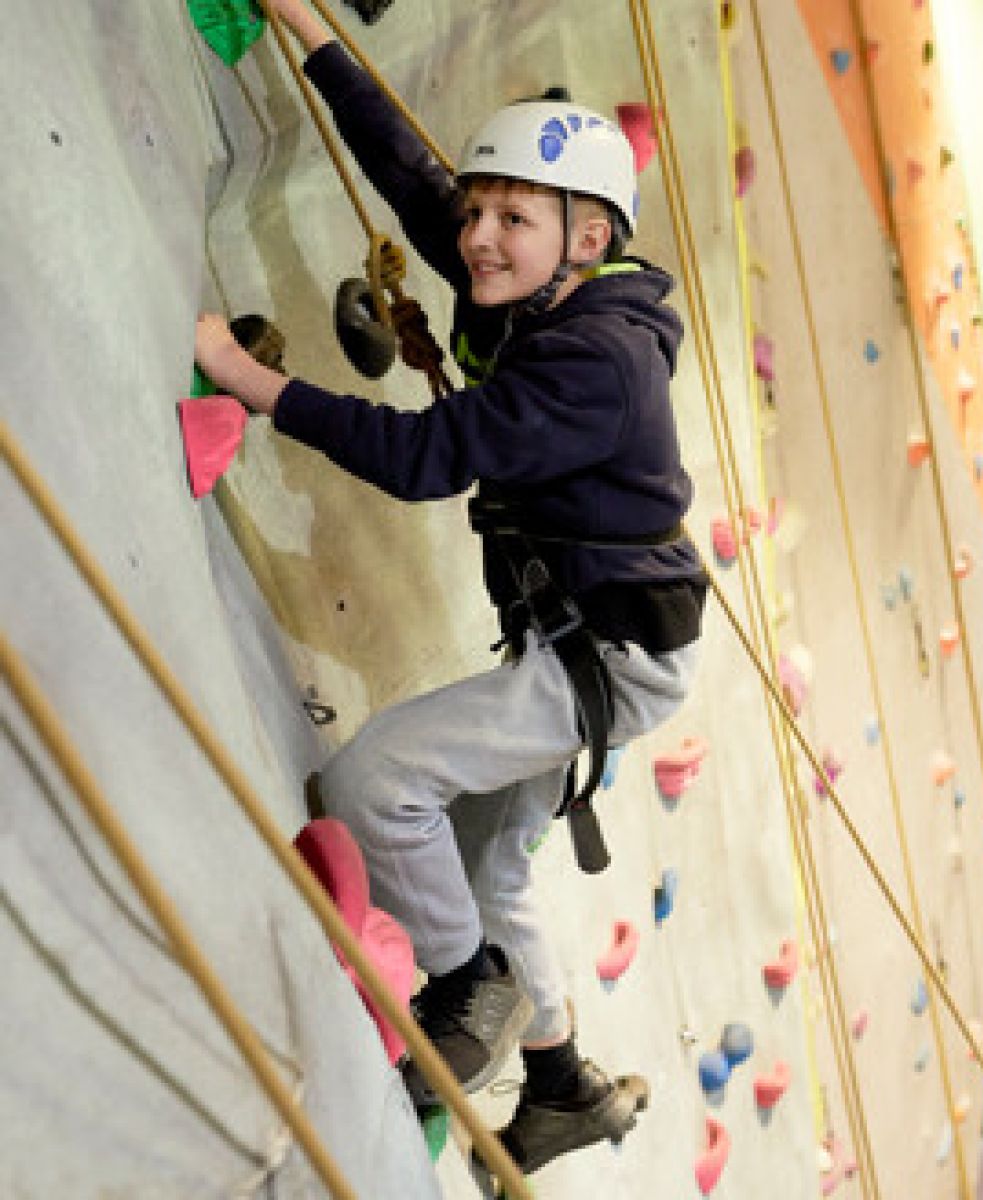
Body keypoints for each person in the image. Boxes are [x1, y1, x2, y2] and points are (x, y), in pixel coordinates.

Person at [194, 0, 706, 1175]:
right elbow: (416, 179)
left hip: (605, 654)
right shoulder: (533, 287)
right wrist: (310, 34)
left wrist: (246, 383)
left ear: (587, 238)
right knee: (489, 865)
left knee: (376, 779)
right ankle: (562, 1082)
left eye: (513, 218)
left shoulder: (593, 361)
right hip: (599, 634)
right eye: (483, 212)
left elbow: (424, 460)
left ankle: (471, 988)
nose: (479, 236)